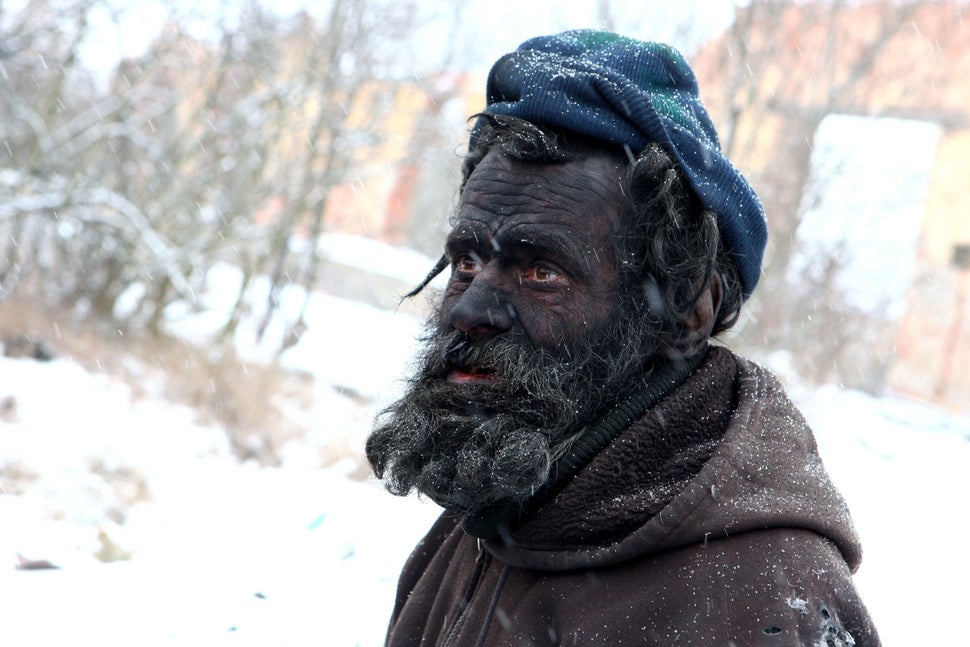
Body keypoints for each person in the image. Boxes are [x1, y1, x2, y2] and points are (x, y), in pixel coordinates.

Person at [366, 30, 879, 646]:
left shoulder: (758, 598)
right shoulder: (496, 509)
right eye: (468, 262)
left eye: (541, 273)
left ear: (685, 311)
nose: (470, 308)